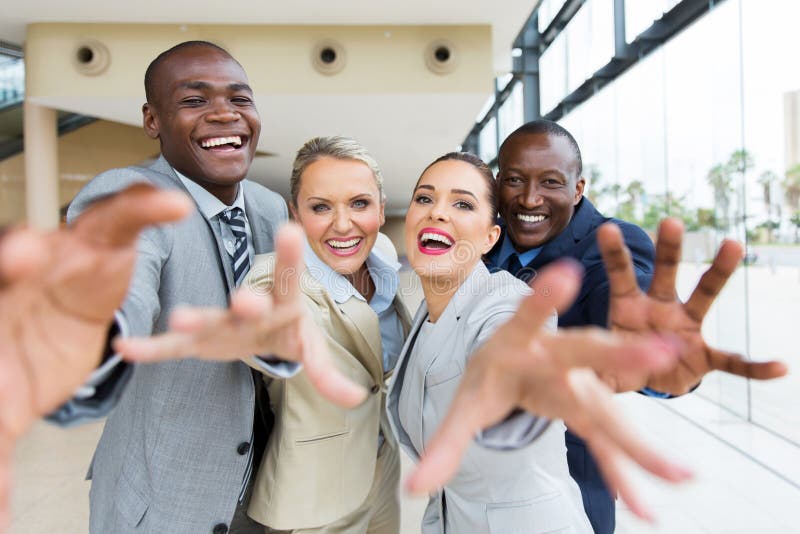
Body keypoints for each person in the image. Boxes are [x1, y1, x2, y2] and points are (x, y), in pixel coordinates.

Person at [55, 41, 363, 534]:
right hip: (165, 505)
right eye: (194, 100)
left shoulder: (268, 207)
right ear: (152, 120)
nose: (224, 113)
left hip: (263, 498)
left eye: (239, 99)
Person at [453, 119, 789, 532]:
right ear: (498, 182)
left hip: (564, 497)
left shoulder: (611, 244)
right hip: (469, 490)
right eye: (515, 180)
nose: (530, 198)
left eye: (551, 182)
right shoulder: (481, 239)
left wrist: (652, 354)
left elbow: (621, 294)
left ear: (578, 189)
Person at [386, 152, 687, 533]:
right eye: (425, 198)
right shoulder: (424, 314)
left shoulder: (508, 304)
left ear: (490, 237)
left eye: (462, 204)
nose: (437, 213)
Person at [235, 136, 410, 533]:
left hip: (382, 470)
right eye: (321, 207)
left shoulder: (381, 254)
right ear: (296, 214)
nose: (343, 224)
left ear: (381, 209)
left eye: (359, 203)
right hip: (314, 499)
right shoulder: (276, 278)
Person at [0, 185, 191, 533]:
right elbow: (133, 288)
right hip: (158, 498)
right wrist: (106, 333)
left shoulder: (264, 208)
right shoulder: (125, 191)